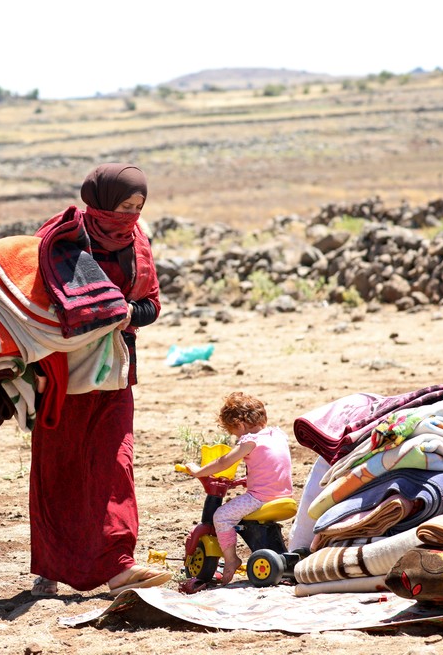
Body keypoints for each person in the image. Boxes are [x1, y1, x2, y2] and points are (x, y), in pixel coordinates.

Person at [28, 163, 173, 598]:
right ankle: (49, 569)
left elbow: (151, 304)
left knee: (115, 464)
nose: (131, 215)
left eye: (138, 207)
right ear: (101, 201)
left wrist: (128, 313)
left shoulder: (137, 243)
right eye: (124, 206)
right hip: (61, 372)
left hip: (115, 370)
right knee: (59, 467)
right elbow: (35, 298)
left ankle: (118, 566)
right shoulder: (64, 239)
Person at [183, 392, 294, 583]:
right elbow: (270, 466)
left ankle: (231, 559)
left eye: (235, 433)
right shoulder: (277, 434)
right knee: (237, 511)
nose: (237, 437)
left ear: (241, 425)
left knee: (222, 516)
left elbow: (224, 462)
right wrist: (245, 480)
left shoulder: (249, 441)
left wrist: (199, 471)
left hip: (261, 498)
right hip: (284, 496)